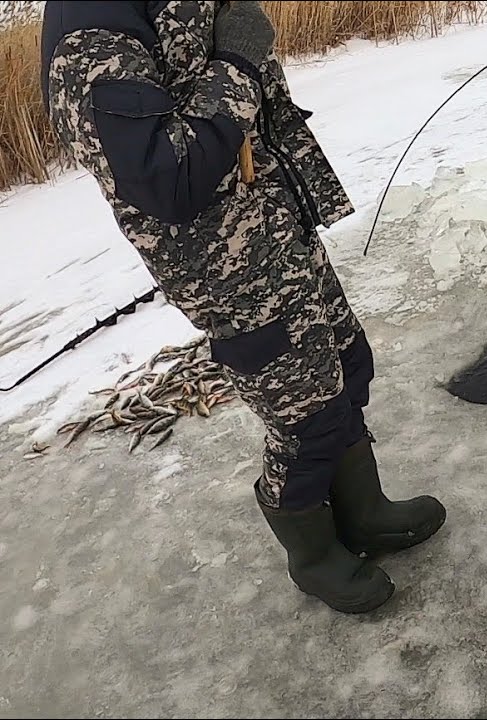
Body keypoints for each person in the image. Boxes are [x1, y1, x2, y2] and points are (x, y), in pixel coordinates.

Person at [40, 0, 444, 614]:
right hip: (226, 270)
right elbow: (163, 178)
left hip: (277, 230)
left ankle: (364, 514)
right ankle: (311, 555)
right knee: (305, 419)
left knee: (347, 368)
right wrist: (236, 62)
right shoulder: (88, 24)